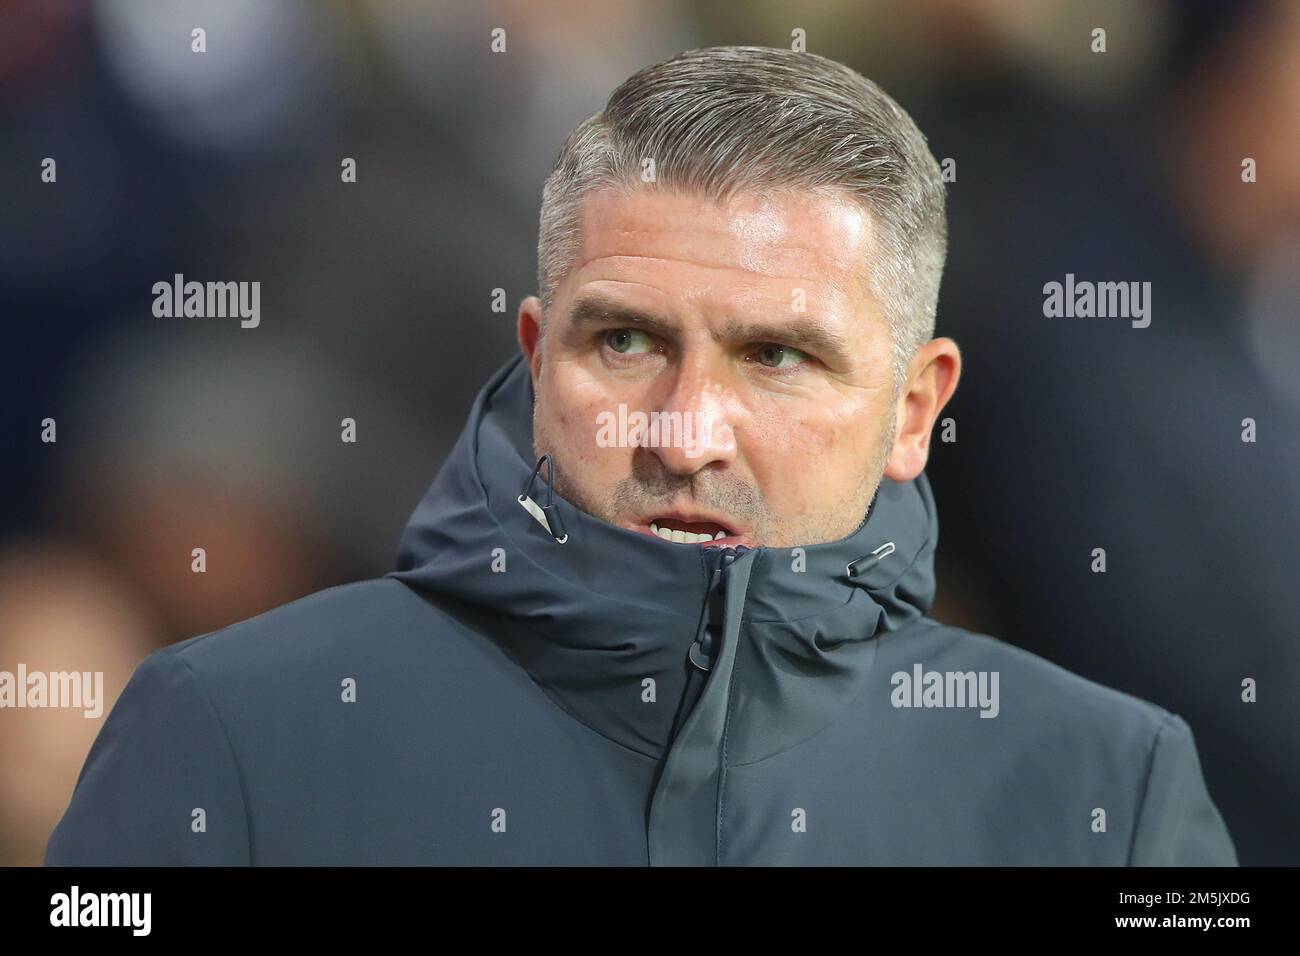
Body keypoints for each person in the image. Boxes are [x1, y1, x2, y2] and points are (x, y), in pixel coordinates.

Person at [45, 46, 1235, 866]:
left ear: (914, 408)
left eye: (775, 356)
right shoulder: (225, 730)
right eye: (624, 340)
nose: (682, 430)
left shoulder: (1113, 791)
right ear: (533, 352)